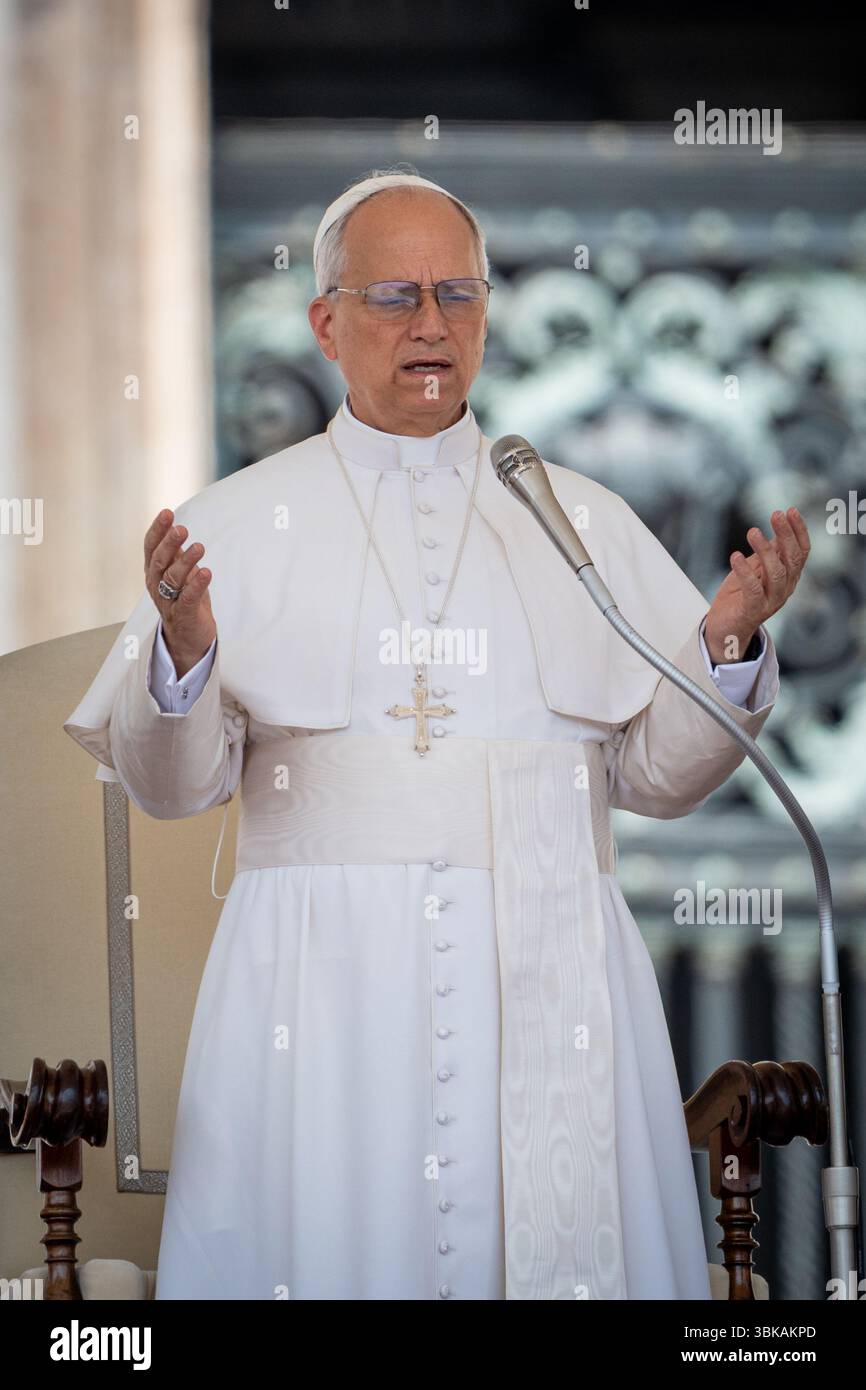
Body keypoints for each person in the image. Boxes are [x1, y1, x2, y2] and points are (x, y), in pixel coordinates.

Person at [64, 169, 810, 1300]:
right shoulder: (234, 525)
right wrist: (182, 650)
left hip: (553, 976)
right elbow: (172, 789)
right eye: (394, 296)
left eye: (457, 294)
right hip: (318, 992)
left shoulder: (576, 517)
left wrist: (721, 647)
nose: (430, 324)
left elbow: (657, 777)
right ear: (324, 321)